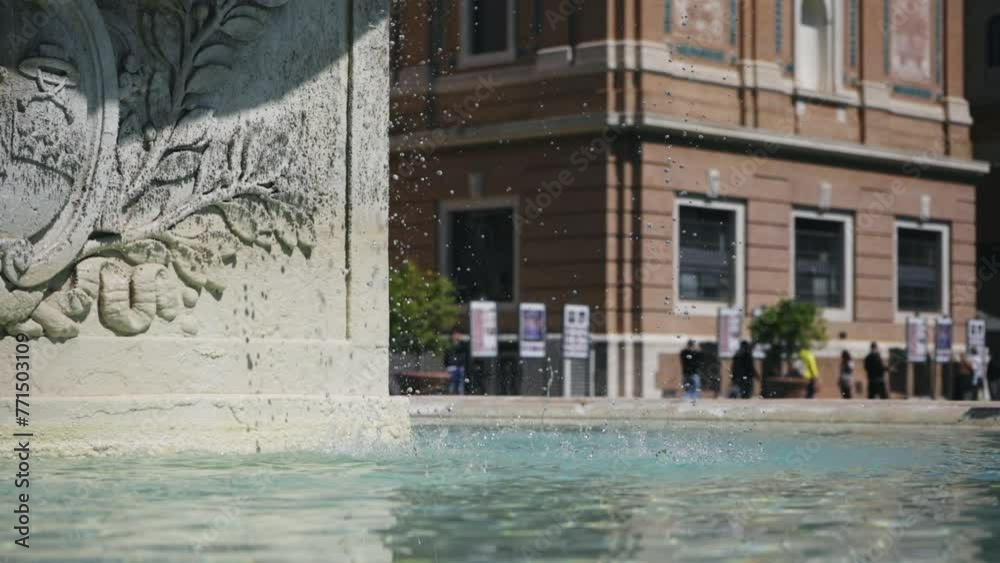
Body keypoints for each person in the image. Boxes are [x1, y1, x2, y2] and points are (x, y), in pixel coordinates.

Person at [443, 329, 468, 395]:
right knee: (452, 382)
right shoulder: (449, 345)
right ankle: (451, 394)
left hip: (460, 366)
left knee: (460, 382)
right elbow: (446, 357)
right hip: (451, 367)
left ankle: (460, 394)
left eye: (458, 334)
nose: (456, 336)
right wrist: (447, 366)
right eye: (455, 335)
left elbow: (464, 355)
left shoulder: (463, 344)